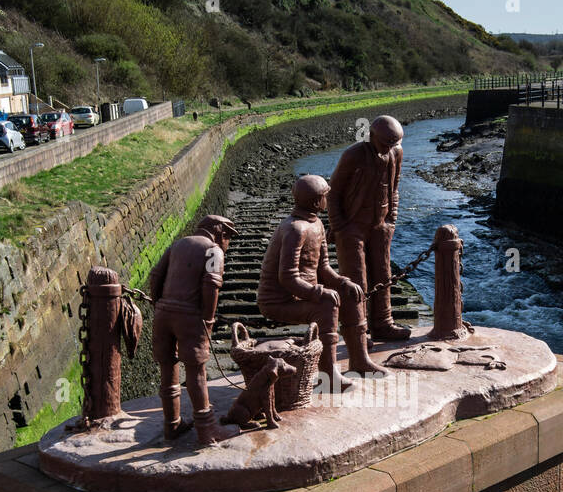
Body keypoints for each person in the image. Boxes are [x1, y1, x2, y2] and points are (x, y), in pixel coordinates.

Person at [258, 174, 386, 393]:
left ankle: (359, 359)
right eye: (325, 195)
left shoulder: (316, 223)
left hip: (303, 295)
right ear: (317, 201)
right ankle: (328, 375)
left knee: (350, 293)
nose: (329, 198)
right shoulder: (295, 229)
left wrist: (343, 283)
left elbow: (323, 268)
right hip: (279, 302)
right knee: (326, 306)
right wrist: (318, 293)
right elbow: (286, 277)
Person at [148, 214, 238, 446]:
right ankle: (207, 431)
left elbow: (155, 275)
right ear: (219, 232)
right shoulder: (213, 251)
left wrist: (159, 304)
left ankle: (172, 425)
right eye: (228, 236)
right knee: (196, 371)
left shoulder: (178, 244)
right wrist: (208, 319)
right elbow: (211, 285)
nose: (227, 242)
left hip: (163, 314)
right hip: (189, 317)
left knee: (168, 369)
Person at [327, 114, 411, 341]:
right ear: (371, 135)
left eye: (394, 144)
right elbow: (332, 193)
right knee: (356, 280)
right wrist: (340, 226)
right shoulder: (353, 155)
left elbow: (394, 188)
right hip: (352, 226)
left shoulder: (396, 152)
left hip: (380, 225)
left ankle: (383, 324)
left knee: (383, 275)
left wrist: (390, 221)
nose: (389, 149)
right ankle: (359, 332)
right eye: (385, 144)